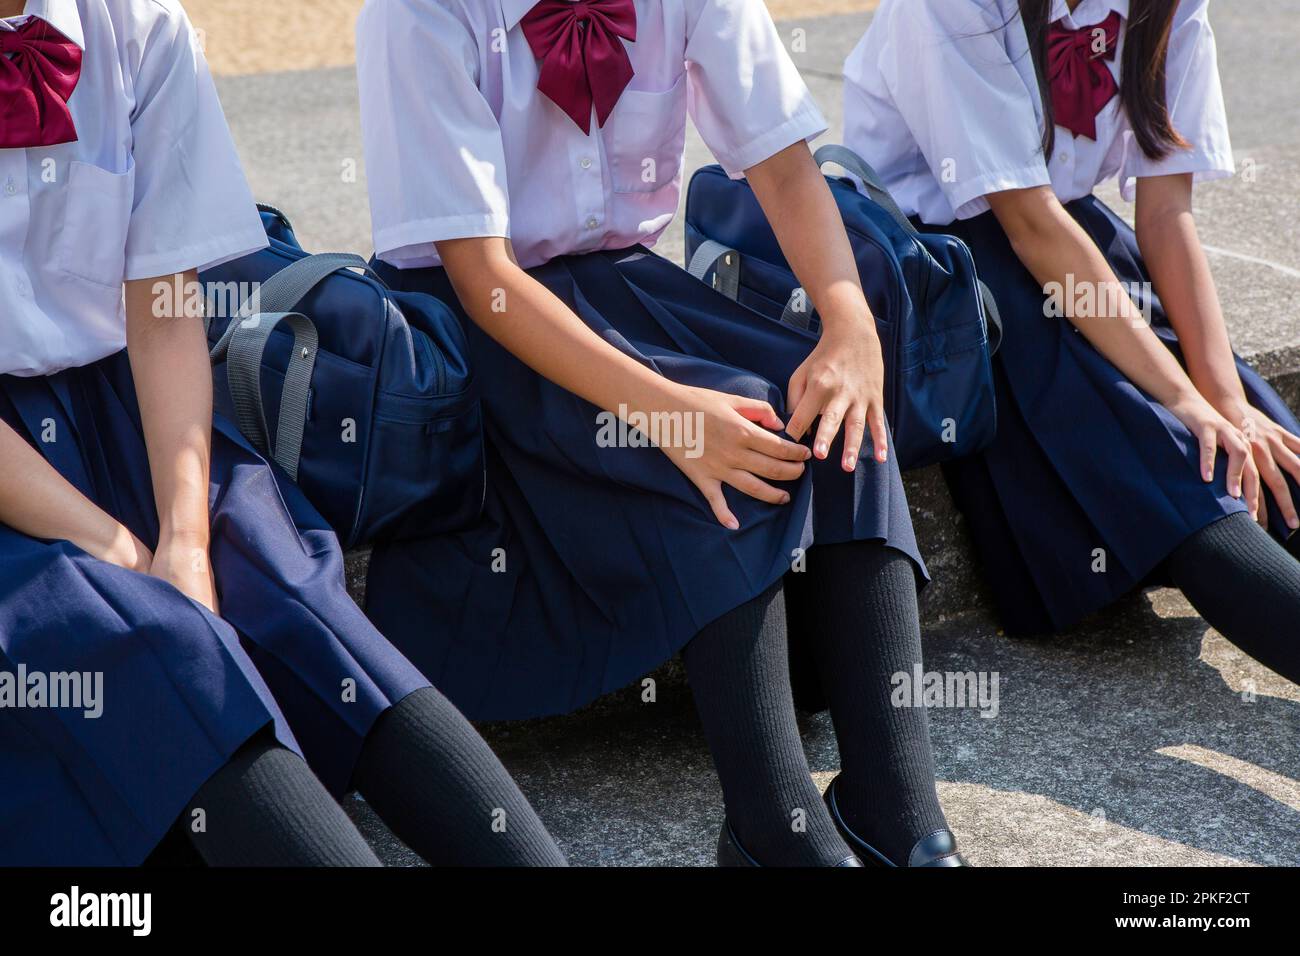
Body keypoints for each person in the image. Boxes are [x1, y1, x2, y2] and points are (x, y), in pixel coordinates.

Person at [356, 0, 966, 867]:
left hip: (625, 287)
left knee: (836, 415)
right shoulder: (418, 11)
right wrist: (673, 414)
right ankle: (774, 828)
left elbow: (784, 168)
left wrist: (849, 326)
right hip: (482, 322)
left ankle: (897, 812)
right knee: (734, 434)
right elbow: (480, 274)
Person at [0, 0, 565, 867]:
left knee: (284, 584)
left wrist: (184, 537)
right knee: (140, 633)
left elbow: (164, 306)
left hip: (127, 402)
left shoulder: (134, 24)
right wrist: (105, 539)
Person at [841, 0, 1300, 684]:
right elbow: (1025, 222)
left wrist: (1225, 396)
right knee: (1190, 481)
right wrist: (1185, 402)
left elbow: (1167, 209)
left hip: (1079, 245)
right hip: (955, 273)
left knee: (1271, 456)